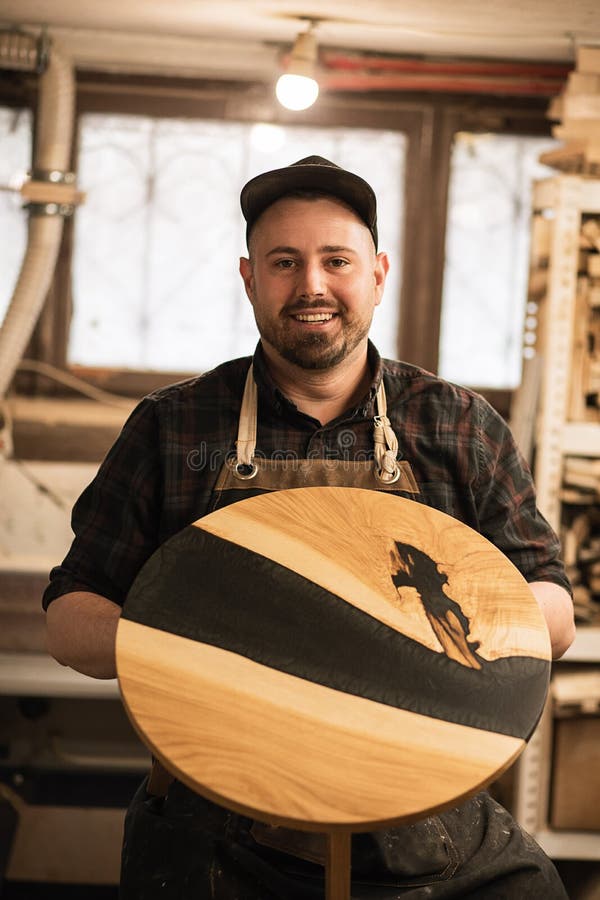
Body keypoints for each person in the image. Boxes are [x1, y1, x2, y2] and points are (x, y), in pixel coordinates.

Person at [43, 155, 575, 898]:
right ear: (249, 277)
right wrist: (199, 637)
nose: (312, 286)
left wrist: (424, 633)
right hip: (219, 815)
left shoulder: (456, 425)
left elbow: (552, 611)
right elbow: (71, 617)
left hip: (419, 805)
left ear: (379, 273)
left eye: (337, 260)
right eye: (284, 262)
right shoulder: (175, 424)